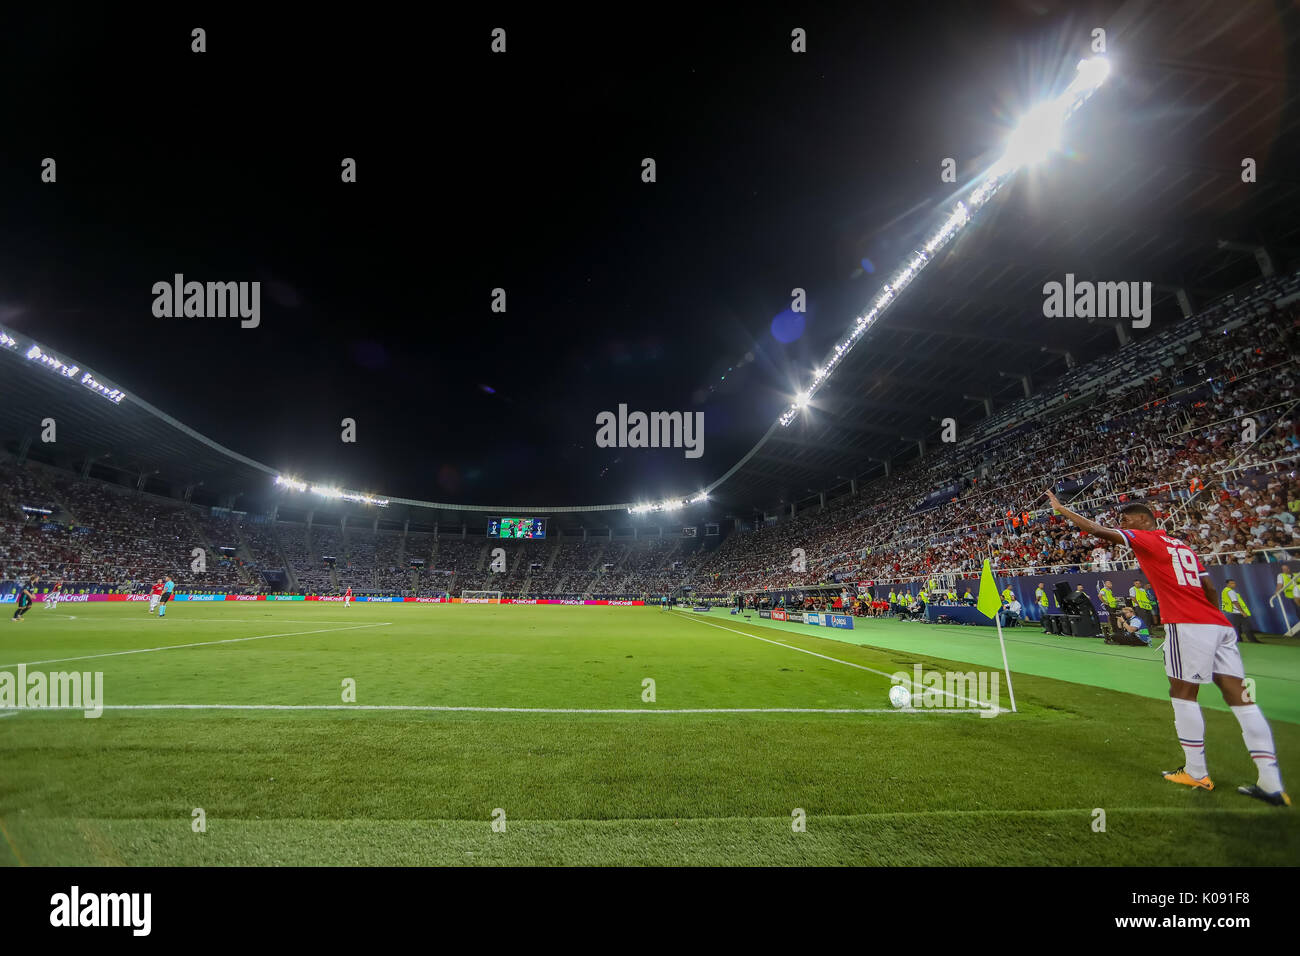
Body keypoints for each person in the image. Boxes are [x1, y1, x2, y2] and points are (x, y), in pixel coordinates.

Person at [1044, 488, 1289, 807]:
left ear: (1144, 520)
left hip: (1188, 625)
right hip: (1218, 625)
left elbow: (1094, 529)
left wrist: (1061, 509)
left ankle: (1197, 772)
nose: (1123, 524)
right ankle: (1270, 781)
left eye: (1127, 519)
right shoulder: (1183, 547)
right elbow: (1209, 587)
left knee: (1183, 694)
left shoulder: (1149, 539)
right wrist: (1212, 614)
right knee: (1240, 696)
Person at [1220, 579, 1260, 643]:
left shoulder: (1225, 591)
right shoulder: (1231, 592)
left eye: (1234, 583)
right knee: (1247, 627)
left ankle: (1239, 639)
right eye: (1231, 583)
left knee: (1237, 627)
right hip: (1238, 612)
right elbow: (1235, 602)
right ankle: (1252, 640)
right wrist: (1242, 612)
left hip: (1233, 612)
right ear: (1227, 584)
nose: (1234, 584)